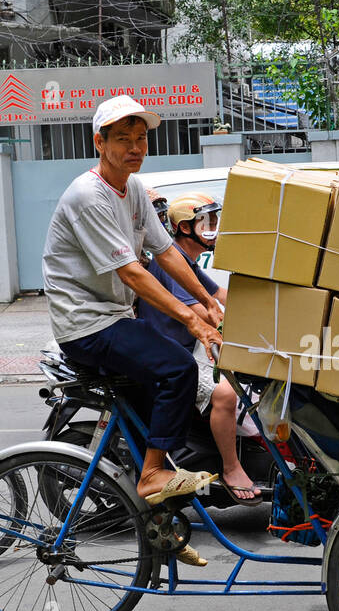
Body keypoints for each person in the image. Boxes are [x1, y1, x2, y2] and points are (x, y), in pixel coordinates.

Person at [42, 95, 224, 507]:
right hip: (87, 326)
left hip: (116, 319)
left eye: (141, 138)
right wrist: (193, 320)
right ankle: (152, 476)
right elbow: (131, 272)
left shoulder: (135, 189)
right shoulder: (89, 196)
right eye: (123, 138)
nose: (136, 147)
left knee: (153, 397)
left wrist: (209, 300)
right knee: (179, 369)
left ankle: (159, 518)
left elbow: (167, 253)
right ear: (99, 143)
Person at [139, 191, 261, 505]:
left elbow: (218, 294)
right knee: (225, 393)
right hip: (176, 351)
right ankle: (232, 468)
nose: (215, 227)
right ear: (183, 227)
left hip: (191, 344)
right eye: (207, 222)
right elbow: (203, 313)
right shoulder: (171, 262)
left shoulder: (186, 262)